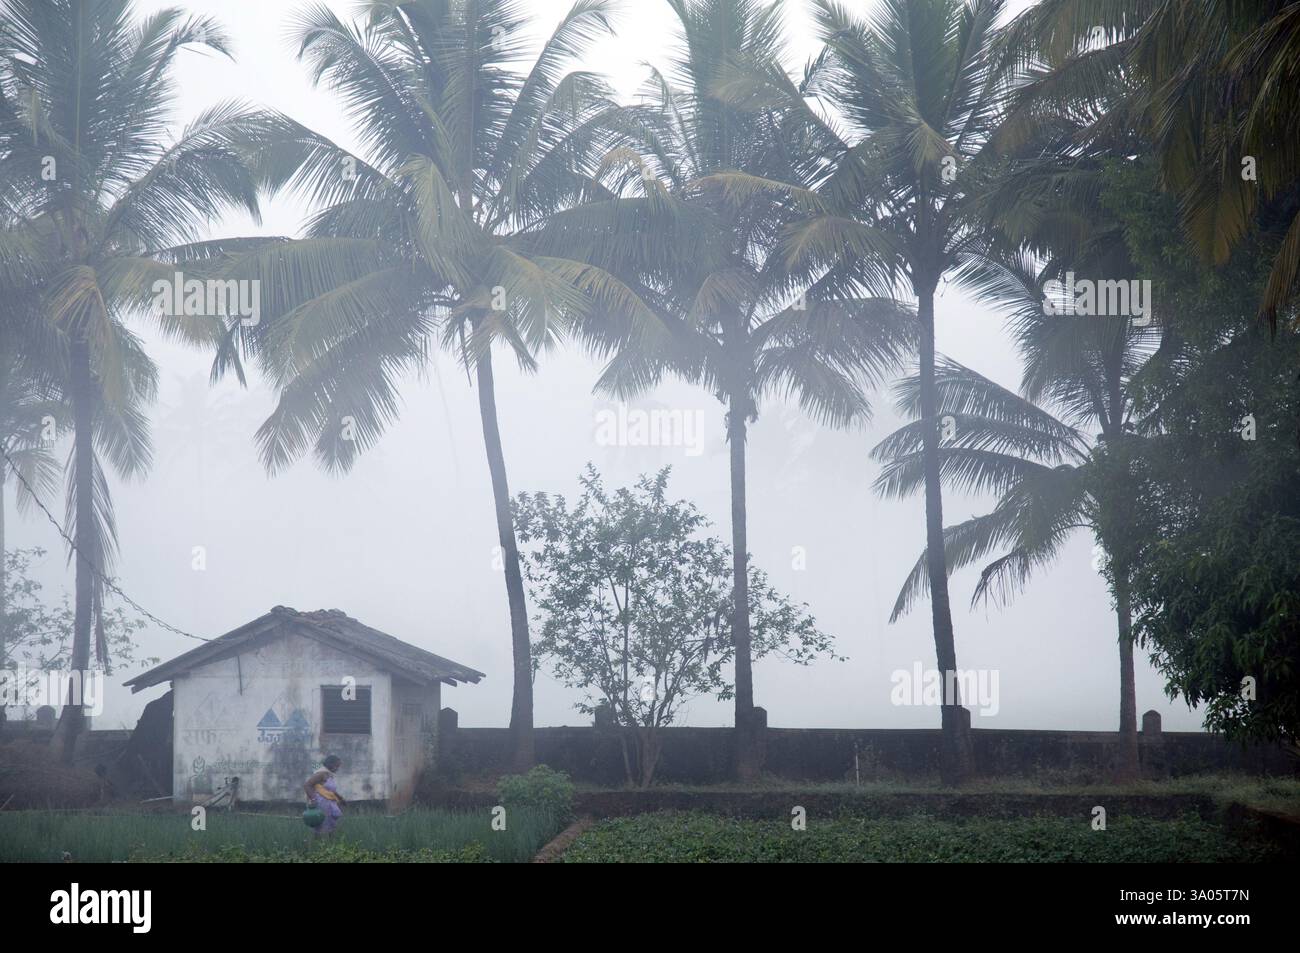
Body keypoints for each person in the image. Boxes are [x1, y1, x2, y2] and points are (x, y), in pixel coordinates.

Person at [304, 755, 346, 835]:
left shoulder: (329, 774)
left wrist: (340, 798)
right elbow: (307, 785)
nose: (337, 768)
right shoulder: (321, 773)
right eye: (336, 766)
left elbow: (330, 790)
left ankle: (330, 846)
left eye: (338, 766)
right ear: (330, 764)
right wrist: (313, 799)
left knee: (331, 827)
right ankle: (319, 845)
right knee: (321, 828)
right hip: (321, 804)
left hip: (329, 804)